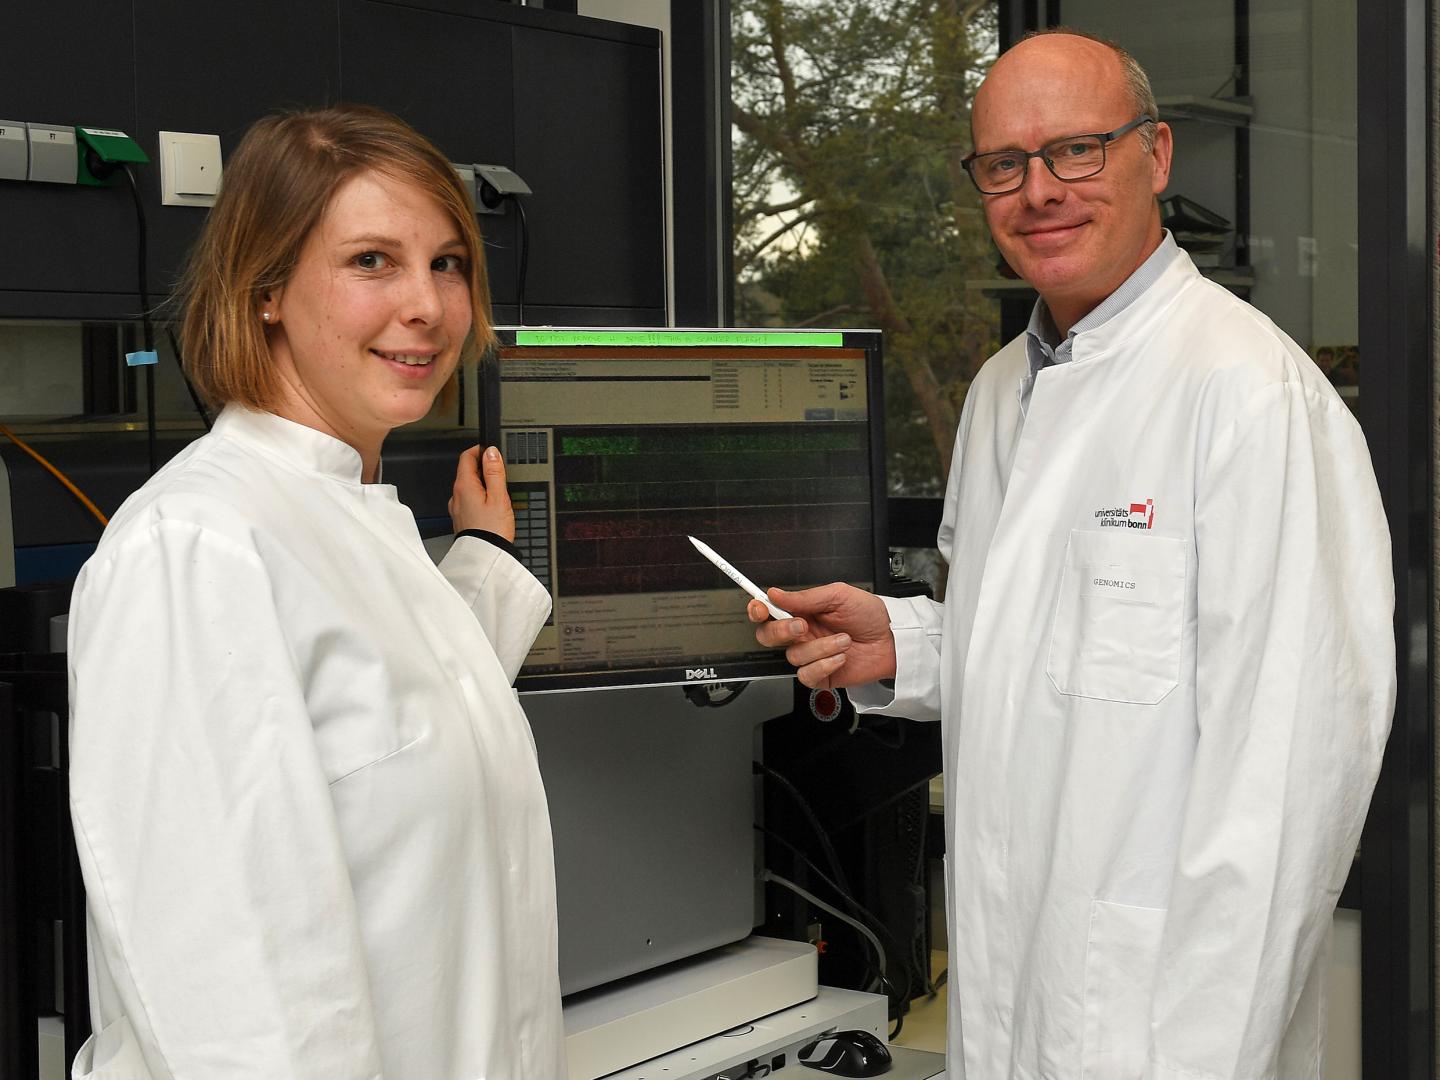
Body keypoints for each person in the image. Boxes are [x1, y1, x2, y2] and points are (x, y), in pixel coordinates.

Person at [751, 29, 1394, 1080]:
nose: (1038, 190)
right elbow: (1064, 650)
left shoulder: (1247, 395)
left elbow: (1283, 791)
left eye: (1077, 151)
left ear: (1158, 155)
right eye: (1004, 164)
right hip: (1012, 1007)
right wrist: (907, 645)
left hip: (1164, 1033)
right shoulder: (1007, 390)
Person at [67, 105, 565, 1078]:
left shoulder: (346, 512)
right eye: (372, 260)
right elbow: (239, 1004)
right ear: (266, 288)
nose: (425, 303)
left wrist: (482, 562)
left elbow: (384, 745)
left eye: (448, 262)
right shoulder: (198, 546)